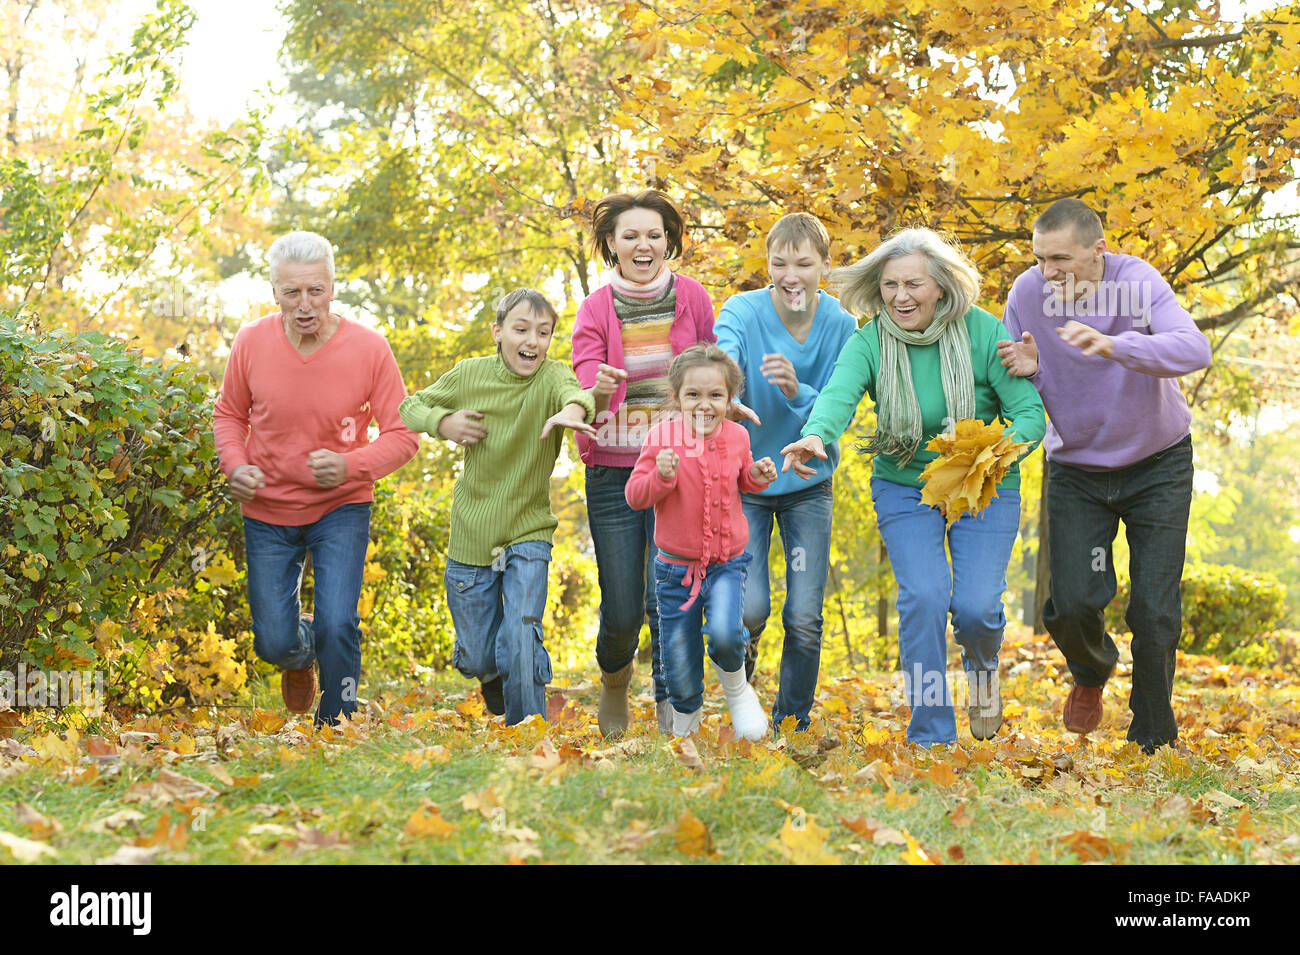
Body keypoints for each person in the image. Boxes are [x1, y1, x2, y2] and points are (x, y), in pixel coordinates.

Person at [782, 229, 1045, 746]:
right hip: (905, 485)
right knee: (923, 597)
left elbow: (1029, 414)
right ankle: (930, 735)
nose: (900, 297)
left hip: (984, 483)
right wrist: (816, 434)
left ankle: (982, 665)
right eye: (890, 285)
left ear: (942, 287)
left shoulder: (985, 334)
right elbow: (838, 394)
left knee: (976, 609)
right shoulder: (870, 341)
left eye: (914, 285)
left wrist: (986, 454)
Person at [997, 198, 1211, 753]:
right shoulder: (1026, 294)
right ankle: (1091, 670)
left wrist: (1117, 346)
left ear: (1099, 251)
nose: (1049, 272)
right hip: (1077, 469)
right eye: (1041, 258)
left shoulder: (1137, 283)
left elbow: (1195, 348)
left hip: (1158, 464)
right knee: (1070, 602)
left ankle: (1152, 738)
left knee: (1154, 609)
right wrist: (1031, 372)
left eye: (1062, 259)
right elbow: (1013, 384)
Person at [213, 231, 419, 724]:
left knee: (340, 622)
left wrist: (351, 466)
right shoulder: (250, 342)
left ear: (332, 287)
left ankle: (338, 721)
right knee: (274, 642)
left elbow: (404, 434)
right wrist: (235, 465)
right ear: (275, 293)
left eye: (315, 291)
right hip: (268, 511)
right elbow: (228, 416)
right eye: (292, 293)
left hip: (341, 507)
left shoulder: (370, 349)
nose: (304, 305)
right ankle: (301, 653)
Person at [399, 290, 596, 726]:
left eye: (543, 333)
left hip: (529, 529)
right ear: (498, 332)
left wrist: (571, 410)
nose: (533, 341)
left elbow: (578, 395)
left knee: (521, 633)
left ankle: (528, 730)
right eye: (522, 329)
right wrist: (443, 423)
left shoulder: (551, 377)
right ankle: (490, 677)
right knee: (479, 652)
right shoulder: (470, 375)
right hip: (473, 534)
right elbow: (410, 406)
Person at [571, 190, 719, 737]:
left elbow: (711, 364)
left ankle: (668, 702)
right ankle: (615, 678)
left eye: (654, 234)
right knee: (623, 609)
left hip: (677, 465)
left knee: (670, 599)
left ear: (668, 242)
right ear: (611, 243)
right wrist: (598, 387)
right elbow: (584, 369)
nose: (643, 244)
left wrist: (726, 404)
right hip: (612, 469)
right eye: (630, 235)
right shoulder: (595, 307)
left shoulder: (694, 297)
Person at [714, 212, 856, 732]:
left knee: (804, 617)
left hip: (807, 485)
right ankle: (743, 672)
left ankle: (792, 723)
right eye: (779, 263)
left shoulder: (842, 325)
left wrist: (799, 393)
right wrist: (726, 395)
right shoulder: (742, 311)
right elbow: (724, 359)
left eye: (803, 263)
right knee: (749, 609)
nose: (790, 274)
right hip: (749, 480)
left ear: (824, 265)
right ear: (767, 264)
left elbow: (843, 401)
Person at [625, 345, 778, 739]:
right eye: (693, 395)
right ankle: (686, 729)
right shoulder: (662, 437)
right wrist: (661, 476)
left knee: (728, 634)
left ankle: (738, 691)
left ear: (729, 400)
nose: (704, 405)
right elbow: (636, 496)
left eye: (716, 396)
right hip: (675, 569)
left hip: (728, 563)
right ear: (676, 397)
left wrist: (759, 474)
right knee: (677, 660)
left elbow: (743, 480)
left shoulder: (739, 437)